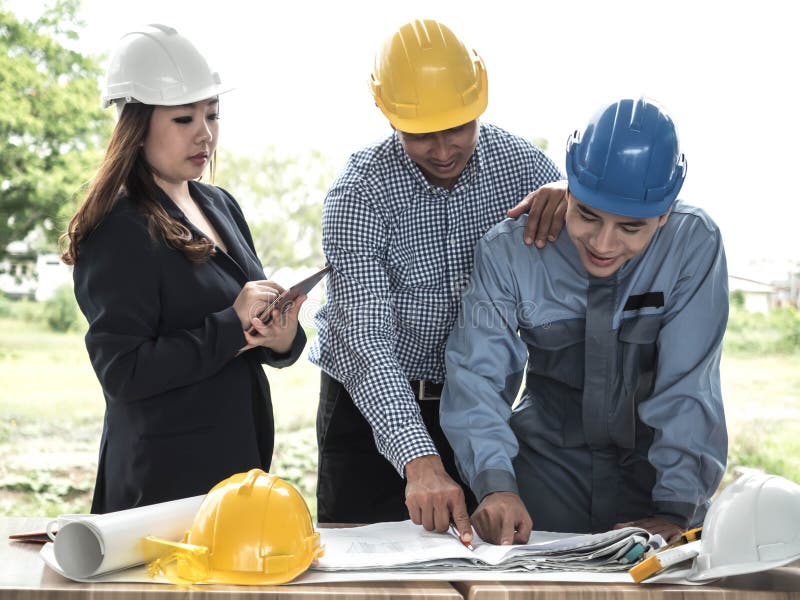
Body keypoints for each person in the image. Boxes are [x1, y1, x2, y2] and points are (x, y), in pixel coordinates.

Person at [308, 18, 566, 539]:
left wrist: (572, 193)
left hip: (476, 409)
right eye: (422, 134)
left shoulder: (525, 170)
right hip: (369, 404)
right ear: (388, 113)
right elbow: (364, 339)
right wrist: (417, 459)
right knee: (364, 567)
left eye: (459, 127)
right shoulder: (358, 193)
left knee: (477, 561)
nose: (444, 148)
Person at [441, 97, 729, 545]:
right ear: (567, 187)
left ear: (665, 213)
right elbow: (476, 377)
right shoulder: (510, 252)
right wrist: (496, 485)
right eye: (587, 215)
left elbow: (689, 387)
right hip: (539, 486)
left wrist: (676, 509)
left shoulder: (694, 244)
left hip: (653, 488)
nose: (603, 243)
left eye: (631, 228)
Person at [59, 25, 306, 513]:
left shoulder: (219, 205)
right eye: (183, 118)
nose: (205, 133)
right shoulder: (119, 226)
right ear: (137, 124)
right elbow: (123, 372)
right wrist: (231, 324)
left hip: (235, 470)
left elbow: (244, 342)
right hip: (162, 484)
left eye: (212, 115)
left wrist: (281, 337)